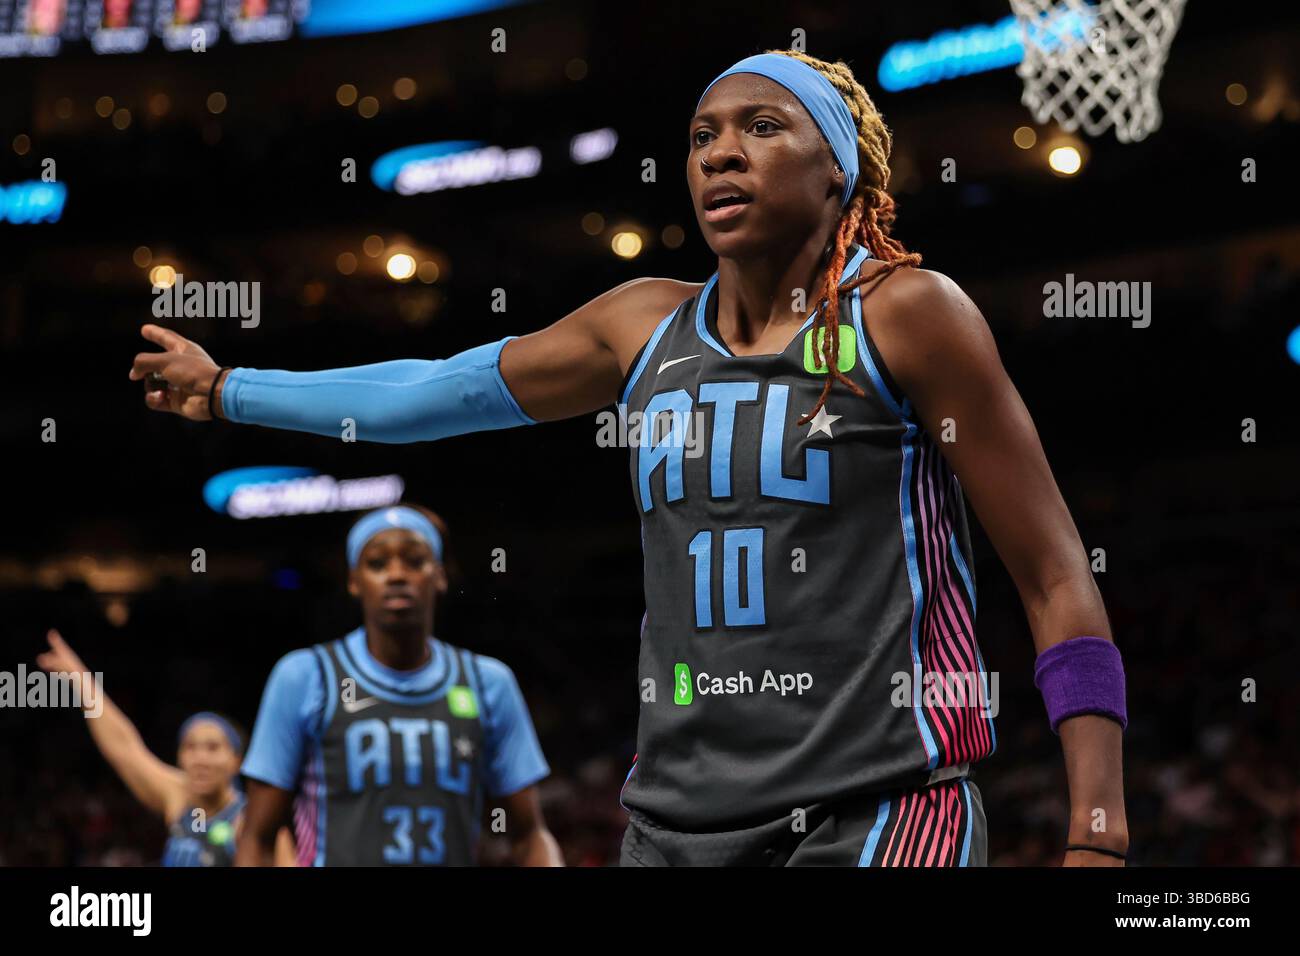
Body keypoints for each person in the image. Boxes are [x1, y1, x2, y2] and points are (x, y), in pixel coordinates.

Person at [129, 49, 1128, 866]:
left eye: (762, 128)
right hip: (674, 818)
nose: (720, 154)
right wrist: (230, 387)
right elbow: (432, 390)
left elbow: (1050, 573)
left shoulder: (908, 314)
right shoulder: (640, 324)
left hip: (876, 810)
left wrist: (1097, 826)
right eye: (702, 137)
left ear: (840, 170)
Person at [236, 504, 561, 866]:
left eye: (414, 561)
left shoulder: (488, 683)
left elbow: (530, 835)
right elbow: (257, 838)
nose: (396, 575)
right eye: (377, 564)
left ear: (439, 575)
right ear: (354, 581)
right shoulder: (305, 676)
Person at [35, 629, 296, 866]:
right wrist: (80, 679)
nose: (200, 758)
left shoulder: (256, 822)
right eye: (190, 747)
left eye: (213, 748)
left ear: (236, 760)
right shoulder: (177, 796)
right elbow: (125, 748)